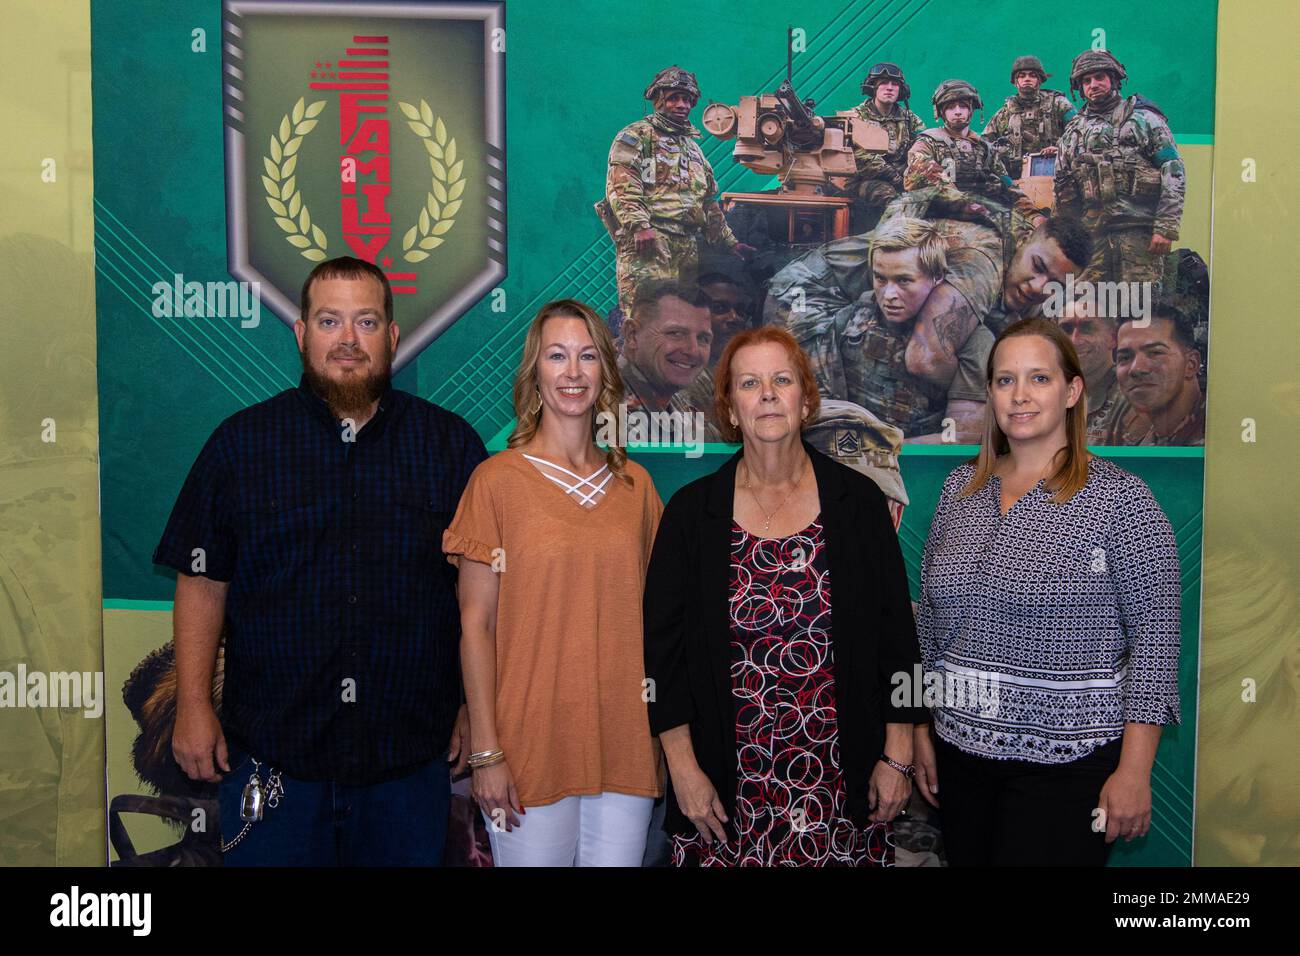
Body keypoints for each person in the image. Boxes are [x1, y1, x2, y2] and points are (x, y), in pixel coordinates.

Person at [158, 256, 487, 866]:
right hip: (276, 762)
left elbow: (479, 600)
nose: (347, 340)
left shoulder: (451, 446)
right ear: (301, 333)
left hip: (407, 764)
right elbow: (202, 581)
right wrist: (195, 706)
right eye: (330, 321)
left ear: (392, 337)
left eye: (365, 322)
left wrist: (473, 704)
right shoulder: (241, 445)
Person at [643, 326, 925, 866]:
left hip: (845, 784)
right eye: (749, 383)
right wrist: (682, 769)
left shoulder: (859, 504)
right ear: (729, 407)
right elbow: (661, 657)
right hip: (725, 791)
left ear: (806, 399)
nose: (768, 394)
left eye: (782, 379)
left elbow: (898, 637)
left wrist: (899, 755)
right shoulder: (689, 514)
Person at [913, 317, 1181, 866]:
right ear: (988, 393)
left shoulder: (1122, 500)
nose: (1020, 395)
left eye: (1039, 378)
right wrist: (921, 728)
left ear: (1072, 390)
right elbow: (931, 626)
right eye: (1005, 380)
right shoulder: (958, 492)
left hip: (1070, 765)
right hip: (959, 754)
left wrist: (1133, 773)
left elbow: (1156, 643)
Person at [445, 299, 664, 866]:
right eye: (558, 356)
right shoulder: (495, 482)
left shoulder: (637, 488)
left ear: (606, 373)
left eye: (588, 356)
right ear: (534, 372)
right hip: (526, 746)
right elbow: (476, 626)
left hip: (625, 744)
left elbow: (662, 622)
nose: (573, 373)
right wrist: (487, 753)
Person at [767, 211, 1092, 406]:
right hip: (809, 295)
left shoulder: (1035, 293)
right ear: (1025, 240)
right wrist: (987, 390)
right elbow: (924, 357)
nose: (1038, 285)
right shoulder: (983, 262)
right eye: (1037, 266)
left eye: (1054, 283)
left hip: (854, 302)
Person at [781, 216, 992, 442]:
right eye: (880, 278)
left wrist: (881, 452)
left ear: (937, 277)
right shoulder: (850, 319)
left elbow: (961, 436)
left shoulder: (974, 341)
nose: (889, 295)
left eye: (904, 281)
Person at [600, 66, 754, 316]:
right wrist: (640, 226)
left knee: (679, 319)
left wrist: (730, 243)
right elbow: (622, 184)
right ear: (658, 99)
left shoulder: (693, 149)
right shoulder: (637, 136)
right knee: (643, 317)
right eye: (673, 98)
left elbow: (707, 202)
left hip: (686, 246)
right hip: (650, 242)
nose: (681, 105)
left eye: (686, 99)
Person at [1054, 50, 1186, 286]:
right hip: (1091, 239)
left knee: (1137, 314)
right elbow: (1064, 191)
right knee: (1088, 313)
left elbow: (1173, 170)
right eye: (1086, 81)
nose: (1093, 85)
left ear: (1114, 79)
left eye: (1099, 77)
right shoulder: (1072, 133)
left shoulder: (1143, 120)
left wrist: (1165, 228)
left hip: (1138, 235)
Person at [905, 80, 1034, 219]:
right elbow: (919, 169)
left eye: (963, 106)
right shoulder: (928, 141)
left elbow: (1009, 186)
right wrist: (964, 203)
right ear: (941, 112)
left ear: (971, 110)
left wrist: (1033, 215)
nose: (958, 112)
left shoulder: (984, 148)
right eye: (951, 107)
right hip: (936, 217)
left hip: (978, 213)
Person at [619, 279, 721, 441]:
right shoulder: (598, 407)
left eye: (703, 338)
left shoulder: (677, 406)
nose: (693, 350)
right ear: (632, 335)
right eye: (675, 333)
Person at [840, 62, 926, 228]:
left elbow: (922, 148)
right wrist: (896, 177)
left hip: (903, 178)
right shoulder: (855, 117)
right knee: (891, 199)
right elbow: (861, 158)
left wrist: (912, 176)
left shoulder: (910, 119)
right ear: (873, 88)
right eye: (883, 83)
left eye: (894, 84)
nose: (889, 88)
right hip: (864, 181)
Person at [1104, 307, 1205, 446]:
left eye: (1155, 353)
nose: (1136, 368)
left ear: (1191, 364)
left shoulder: (1221, 431)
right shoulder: (1139, 441)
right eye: (1125, 357)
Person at [983, 56, 1076, 173]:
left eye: (1032, 75)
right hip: (1016, 178)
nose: (1027, 79)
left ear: (1040, 80)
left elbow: (1078, 130)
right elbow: (984, 143)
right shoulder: (1005, 113)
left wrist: (1060, 148)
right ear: (1015, 82)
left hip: (1056, 173)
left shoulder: (1058, 104)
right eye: (1022, 76)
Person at [1056, 297, 1126, 445]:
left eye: (1087, 329)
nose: (1074, 340)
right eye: (1066, 329)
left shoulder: (1130, 396)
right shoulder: (1050, 395)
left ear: (1112, 339)